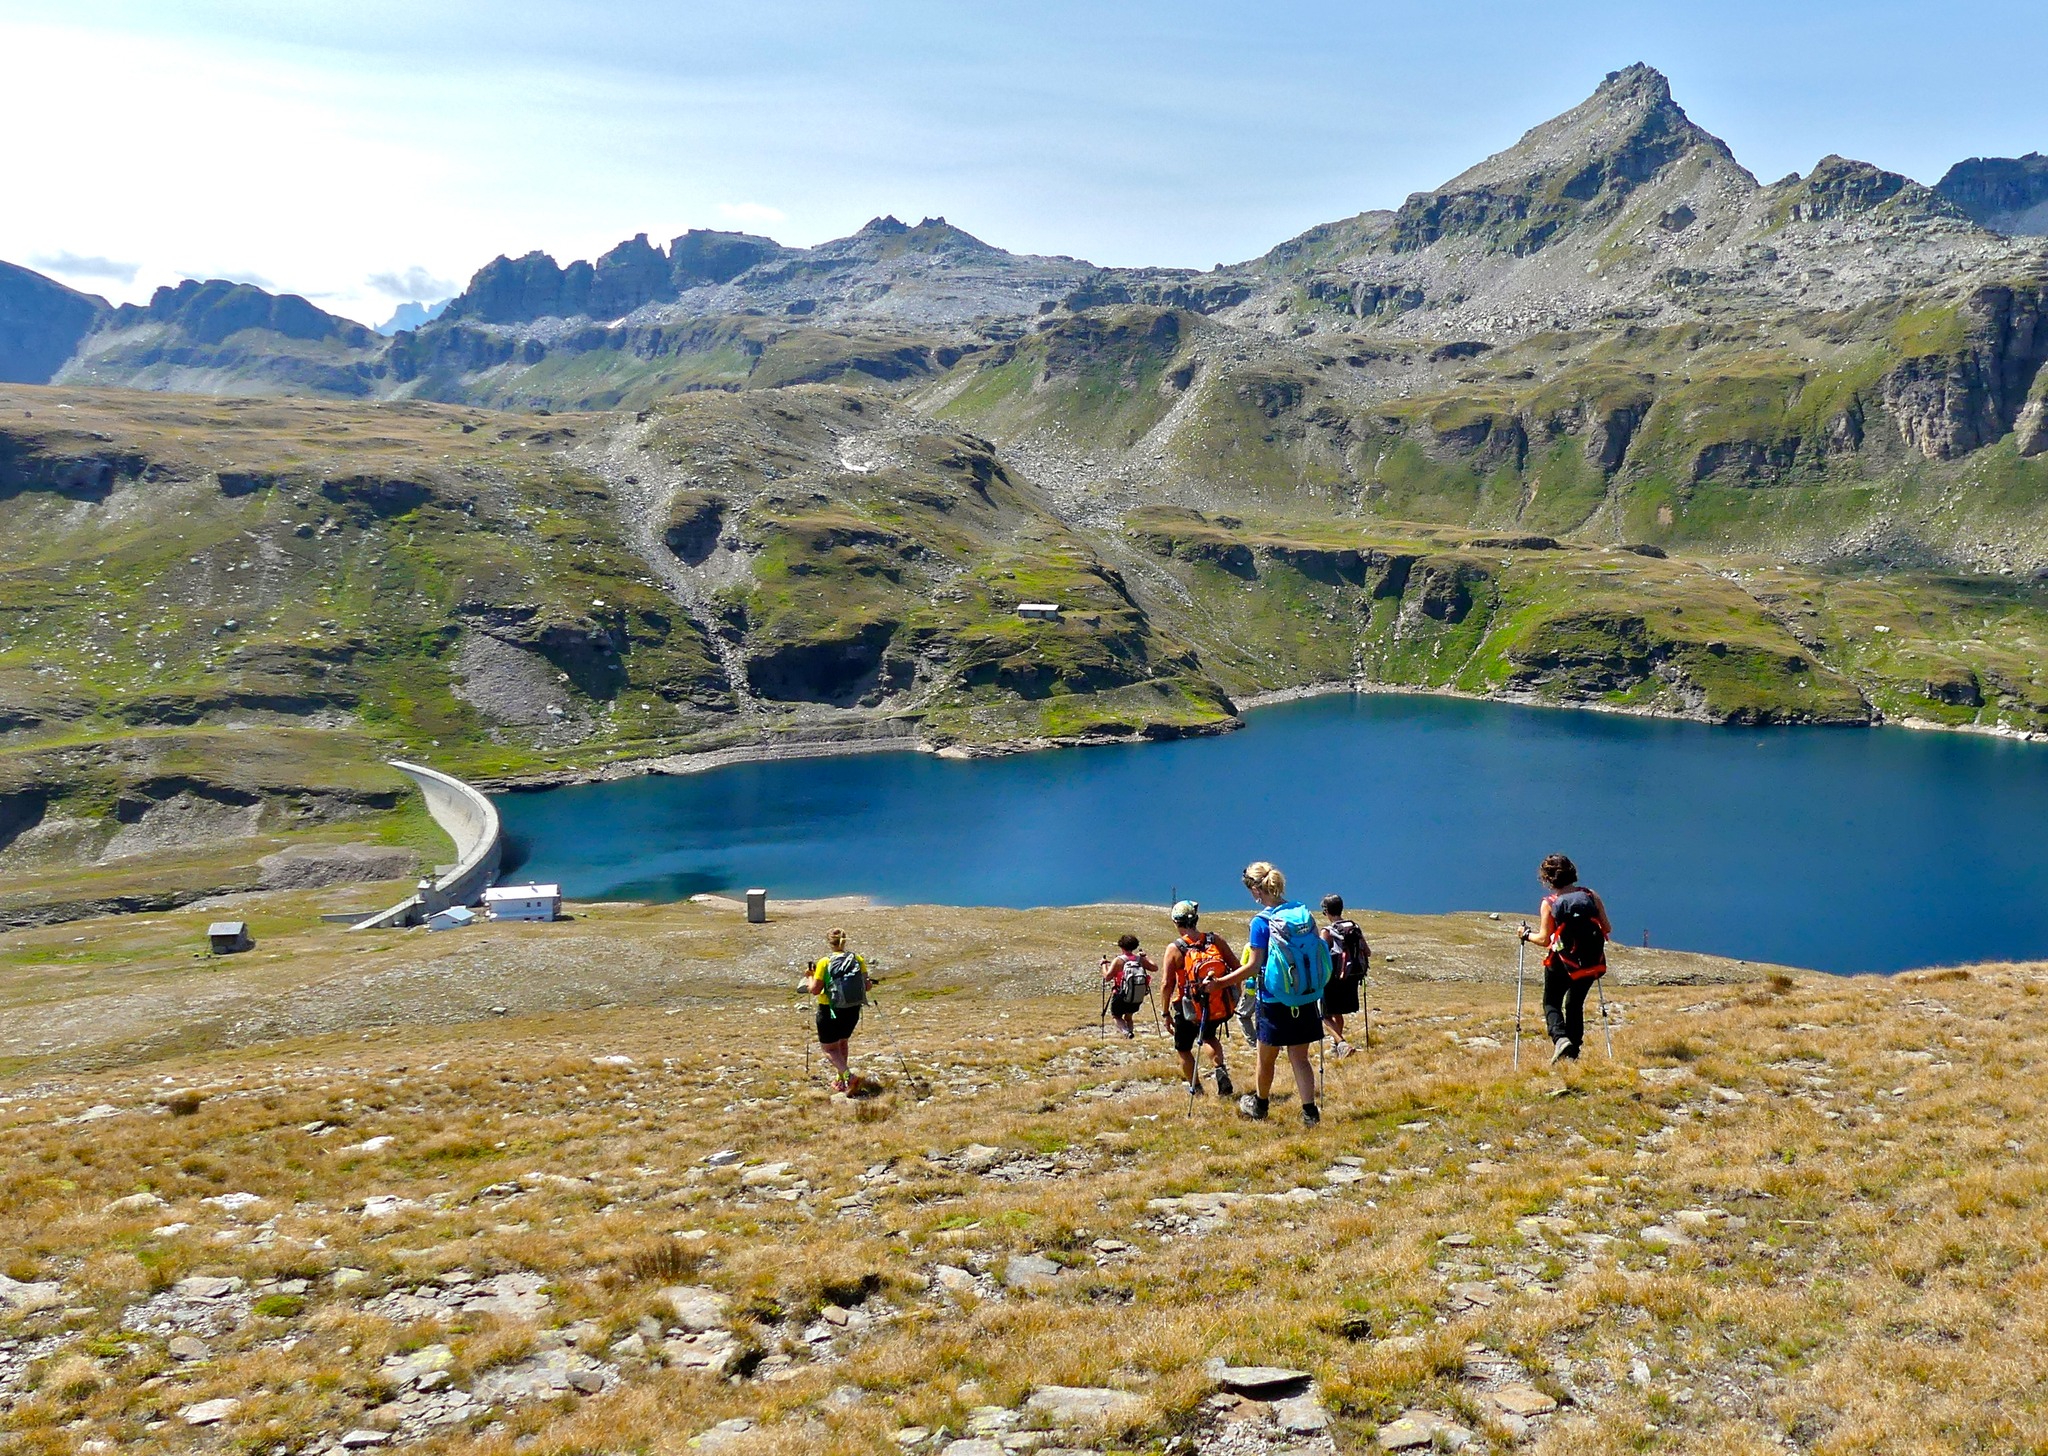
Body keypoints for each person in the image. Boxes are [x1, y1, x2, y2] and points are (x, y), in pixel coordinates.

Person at [1233, 862, 1330, 1126]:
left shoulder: (1260, 922)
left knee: (1266, 1059)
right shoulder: (1301, 913)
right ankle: (1310, 1113)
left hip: (1274, 1000)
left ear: (1256, 890)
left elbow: (1253, 965)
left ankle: (1260, 1105)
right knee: (1300, 1058)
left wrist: (1220, 983)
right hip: (1305, 995)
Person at [1519, 854, 1611, 1064]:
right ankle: (1573, 1052)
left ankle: (1560, 1040)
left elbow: (1543, 939)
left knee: (1552, 1001)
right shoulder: (1590, 895)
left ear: (1547, 879)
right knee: (1574, 1004)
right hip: (1590, 962)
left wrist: (1524, 934)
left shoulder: (1550, 902)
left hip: (1560, 962)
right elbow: (1606, 928)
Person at [1158, 901, 1237, 1097]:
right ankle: (1220, 1071)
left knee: (1184, 1048)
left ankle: (1197, 1089)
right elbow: (1237, 967)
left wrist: (1165, 1012)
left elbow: (1167, 984)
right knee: (1209, 1037)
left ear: (1177, 922)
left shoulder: (1175, 948)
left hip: (1188, 1009)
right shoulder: (1214, 940)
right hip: (1216, 1002)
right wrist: (1235, 993)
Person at [804, 928, 871, 1094]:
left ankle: (849, 1077)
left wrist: (809, 977)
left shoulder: (824, 962)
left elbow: (815, 990)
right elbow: (867, 985)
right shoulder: (858, 959)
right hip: (852, 1009)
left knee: (829, 1049)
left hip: (829, 1010)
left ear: (829, 942)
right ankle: (840, 1081)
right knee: (842, 1043)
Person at [1318, 894, 1369, 1055]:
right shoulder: (1354, 927)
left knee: (1323, 1015)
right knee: (1337, 1012)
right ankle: (1336, 1047)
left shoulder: (1327, 932)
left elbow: (1320, 956)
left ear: (1326, 911)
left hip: (1332, 980)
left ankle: (1341, 1044)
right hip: (1352, 978)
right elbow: (1367, 951)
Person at [1101, 933, 1155, 1038]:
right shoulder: (1140, 959)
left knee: (1116, 1016)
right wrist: (1145, 956)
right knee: (1129, 1017)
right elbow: (1154, 968)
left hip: (1120, 994)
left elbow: (1107, 977)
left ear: (1121, 946)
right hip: (1137, 995)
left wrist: (1104, 965)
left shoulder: (1119, 960)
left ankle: (1126, 1033)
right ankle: (1130, 1035)